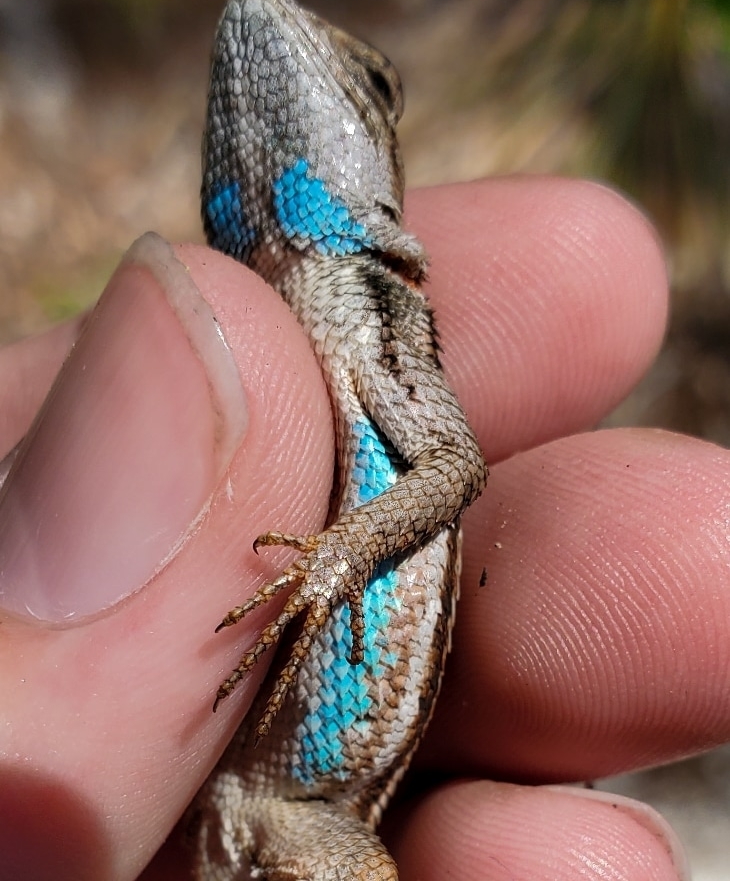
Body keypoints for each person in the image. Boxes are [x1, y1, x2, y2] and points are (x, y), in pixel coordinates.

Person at [1, 177, 714, 880]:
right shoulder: (253, 299)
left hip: (303, 800)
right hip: (206, 776)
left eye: (374, 81)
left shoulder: (378, 304)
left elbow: (455, 464)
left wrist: (339, 561)